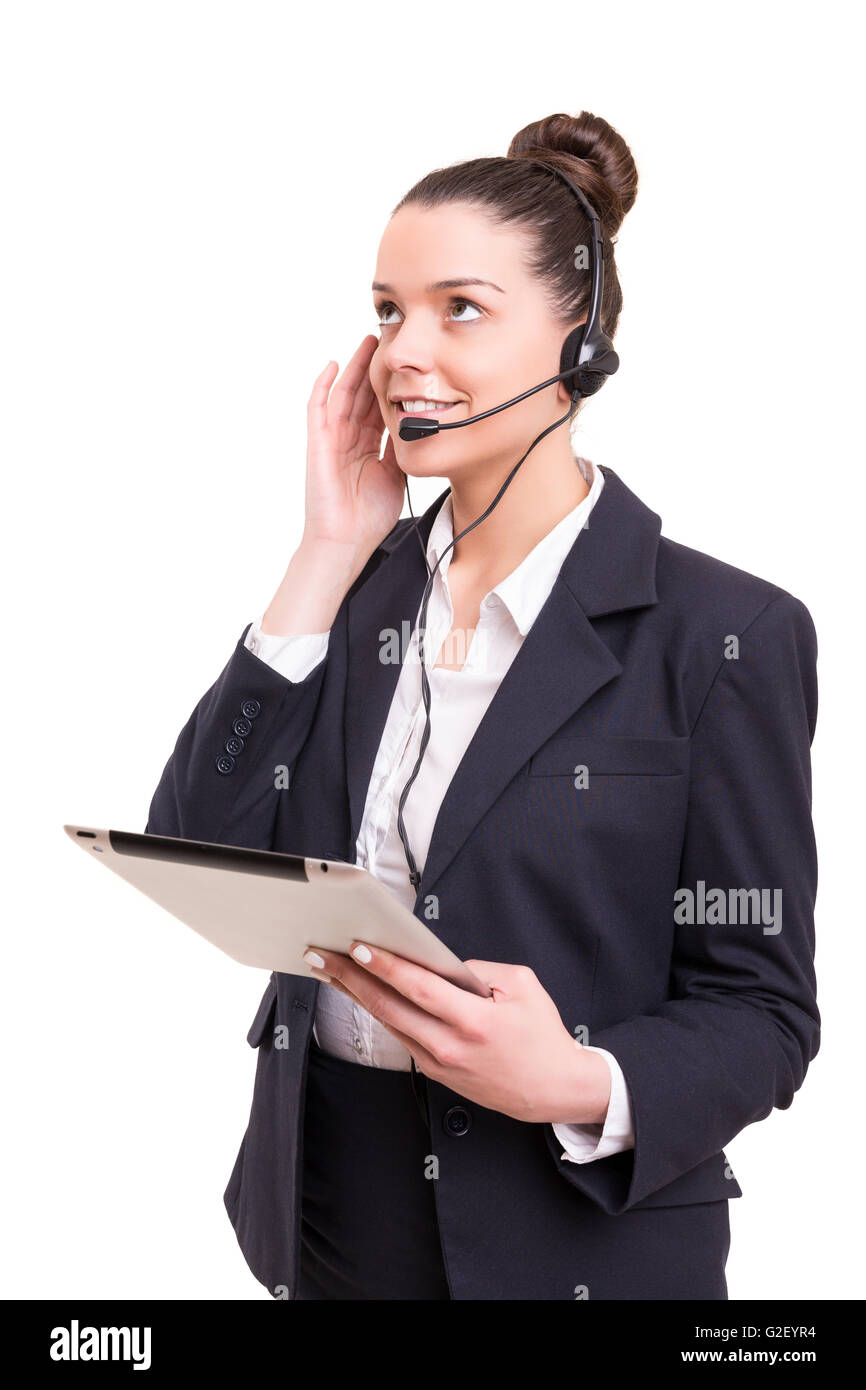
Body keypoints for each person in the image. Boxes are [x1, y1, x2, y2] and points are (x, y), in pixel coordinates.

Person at [145, 109, 819, 1301]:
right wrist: (324, 551)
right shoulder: (353, 596)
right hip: (329, 1213)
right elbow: (203, 847)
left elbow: (761, 1013)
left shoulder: (722, 637)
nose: (403, 350)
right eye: (386, 309)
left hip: (568, 1242)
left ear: (580, 348)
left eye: (460, 308)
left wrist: (573, 1076)